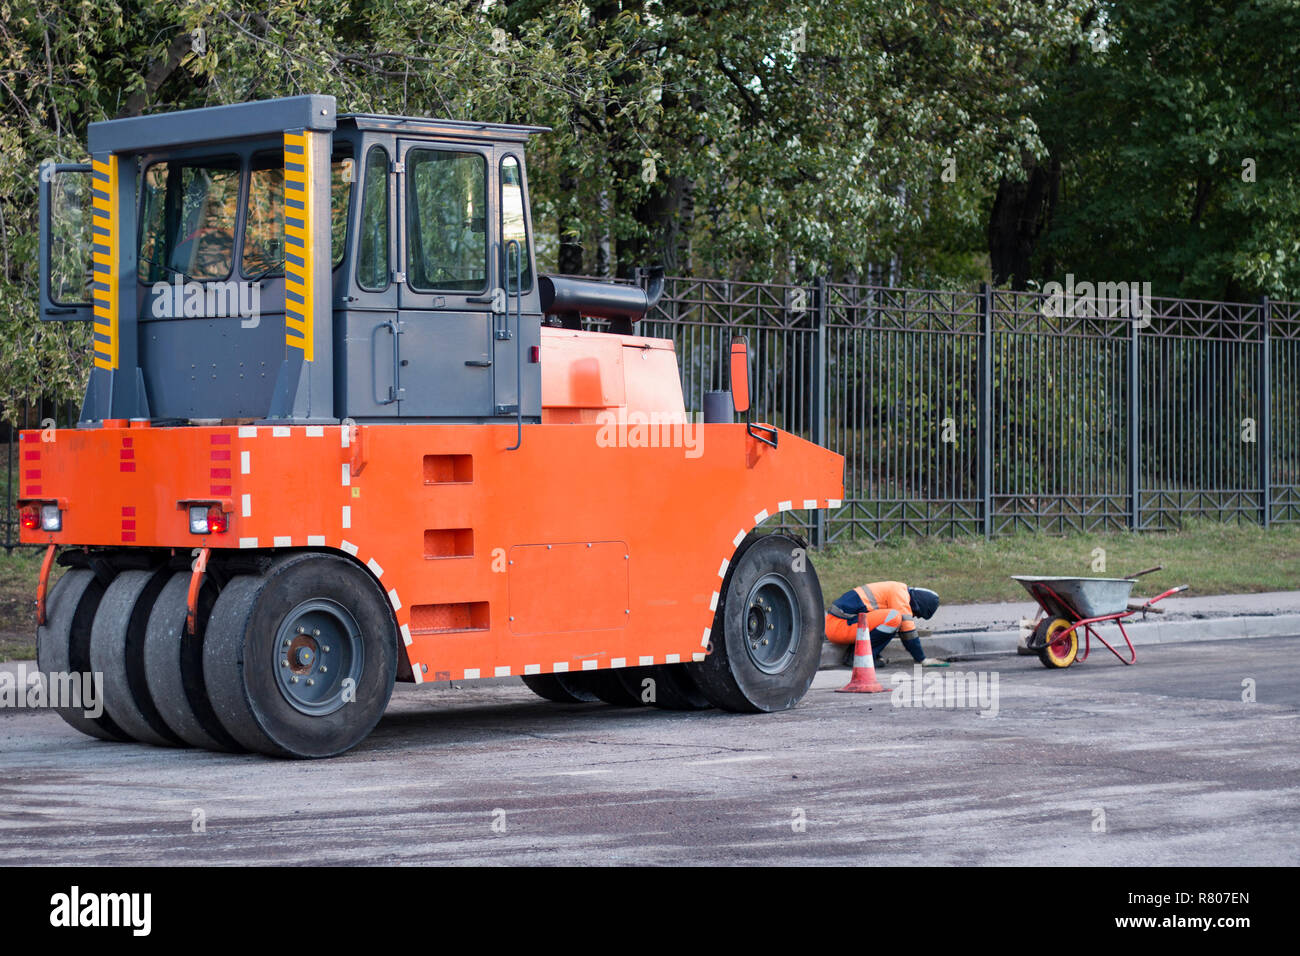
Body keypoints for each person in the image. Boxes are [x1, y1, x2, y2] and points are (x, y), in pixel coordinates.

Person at [823, 581, 946, 667]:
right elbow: (908, 632)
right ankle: (858, 657)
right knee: (894, 619)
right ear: (919, 606)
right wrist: (922, 659)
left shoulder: (898, 589)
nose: (913, 616)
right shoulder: (900, 596)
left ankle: (859, 654)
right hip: (838, 627)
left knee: (893, 620)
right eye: (916, 614)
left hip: (839, 624)